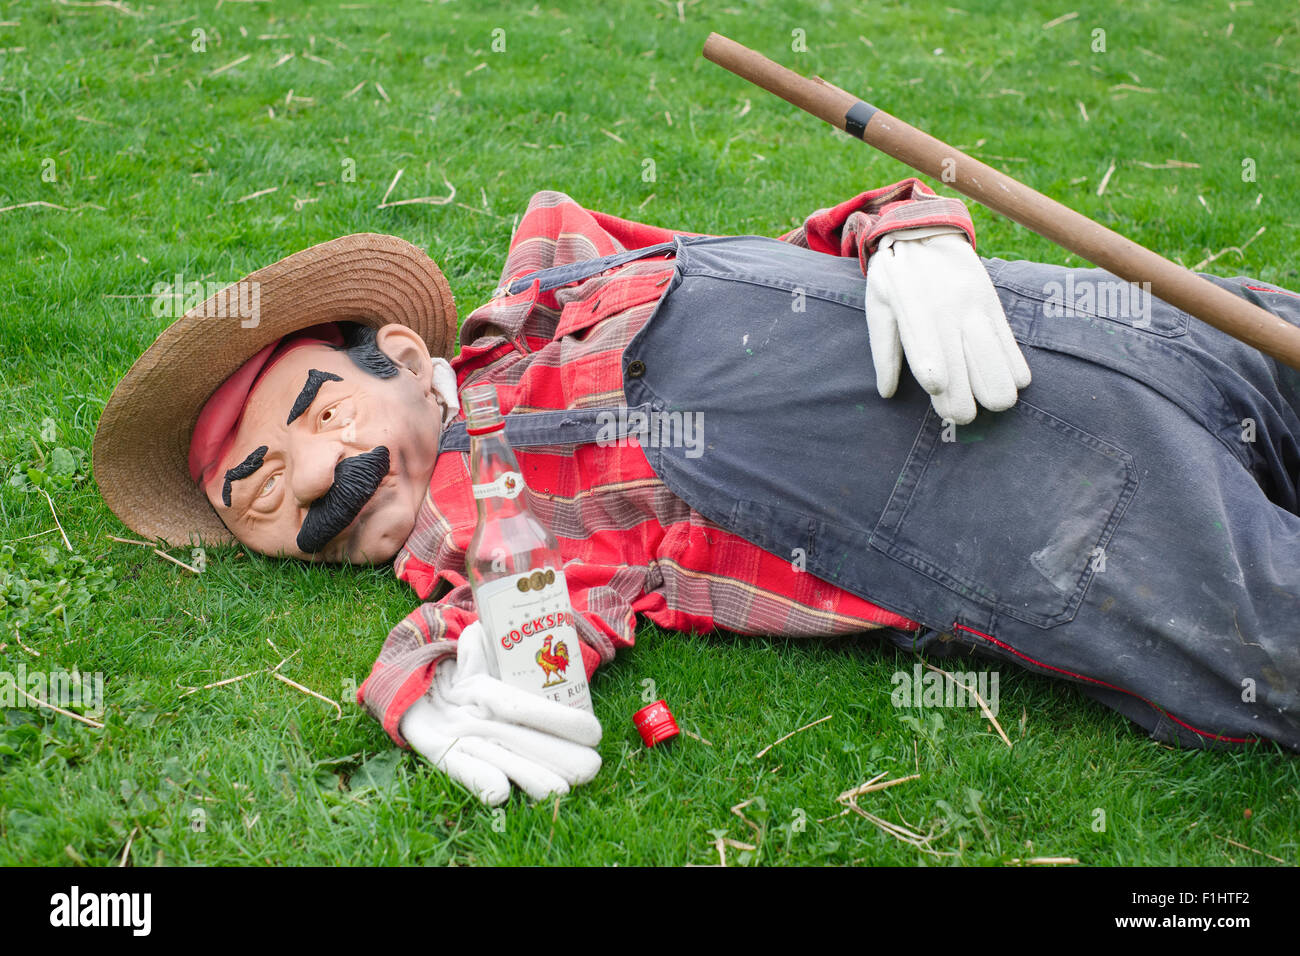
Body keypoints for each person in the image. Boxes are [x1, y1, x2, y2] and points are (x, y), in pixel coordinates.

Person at [94, 180, 1300, 805]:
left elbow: (793, 251)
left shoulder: (567, 272)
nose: (312, 481)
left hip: (1130, 320)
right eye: (259, 502)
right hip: (1077, 521)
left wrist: (909, 231)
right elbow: (508, 628)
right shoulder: (497, 534)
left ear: (407, 363)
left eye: (318, 416)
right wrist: (419, 684)